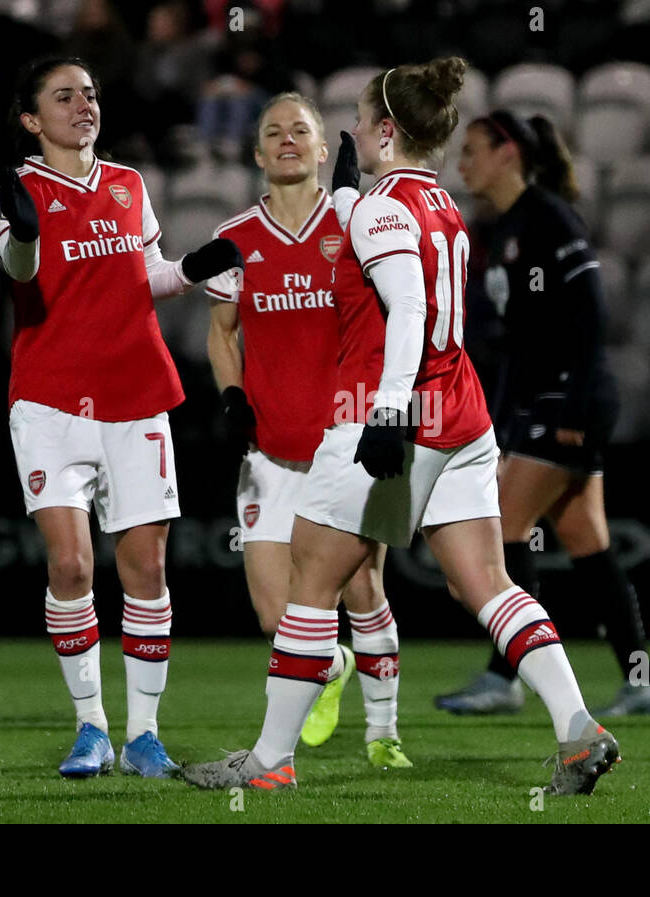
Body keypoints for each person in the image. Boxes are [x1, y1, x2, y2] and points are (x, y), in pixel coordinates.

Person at [183, 57, 620, 793]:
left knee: (312, 581)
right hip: (462, 414)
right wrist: (347, 193)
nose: (350, 131)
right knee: (487, 581)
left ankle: (268, 761)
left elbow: (409, 309)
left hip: (386, 415)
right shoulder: (438, 203)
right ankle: (578, 728)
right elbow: (382, 239)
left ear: (387, 130)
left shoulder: (384, 210)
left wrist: (385, 414)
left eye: (358, 119)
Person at [0, 56, 242, 777]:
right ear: (33, 120)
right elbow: (20, 273)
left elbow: (147, 275)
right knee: (70, 563)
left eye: (90, 94)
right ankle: (91, 727)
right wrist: (28, 232)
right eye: (64, 97)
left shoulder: (130, 185)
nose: (83, 105)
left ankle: (145, 736)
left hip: (135, 393)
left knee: (147, 564)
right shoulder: (13, 190)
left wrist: (192, 269)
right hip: (48, 400)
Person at [433, 110, 650, 718]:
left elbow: (591, 312)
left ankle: (501, 676)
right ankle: (642, 680)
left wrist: (573, 401)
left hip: (568, 400)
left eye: (474, 151)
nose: (463, 165)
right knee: (587, 539)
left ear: (508, 153)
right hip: (542, 403)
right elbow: (512, 341)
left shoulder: (548, 219)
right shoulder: (505, 227)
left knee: (502, 530)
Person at [204, 91, 410, 769]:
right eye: (273, 132)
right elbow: (221, 333)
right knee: (275, 615)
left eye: (301, 130)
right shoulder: (235, 239)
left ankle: (383, 733)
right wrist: (232, 395)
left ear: (325, 150)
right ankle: (334, 663)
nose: (287, 139)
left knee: (363, 590)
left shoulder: (356, 225)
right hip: (270, 453)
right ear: (258, 153)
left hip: (346, 444)